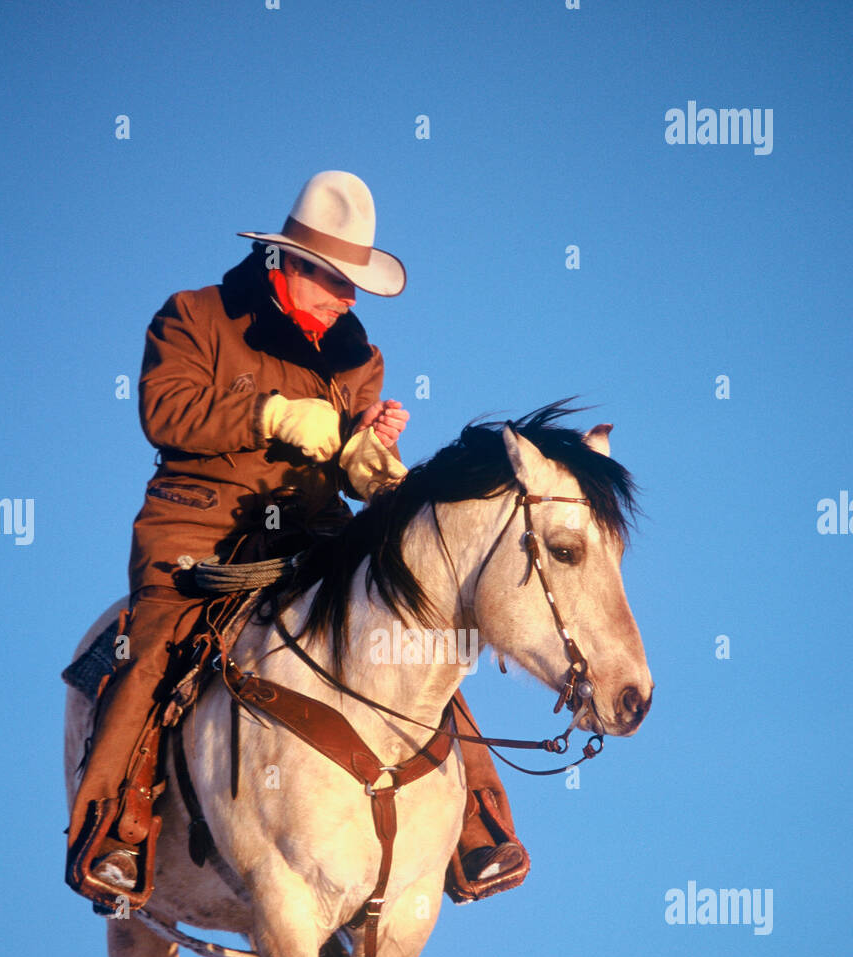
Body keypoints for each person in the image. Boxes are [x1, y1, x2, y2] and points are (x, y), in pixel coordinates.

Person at [65, 170, 528, 912]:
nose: (350, 300)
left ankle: (478, 825)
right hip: (200, 527)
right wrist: (272, 415)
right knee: (152, 649)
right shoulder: (193, 315)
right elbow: (166, 411)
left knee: (422, 637)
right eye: (339, 282)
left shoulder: (357, 356)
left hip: (315, 529)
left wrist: (367, 453)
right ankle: (116, 832)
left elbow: (347, 456)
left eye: (356, 288)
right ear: (288, 263)